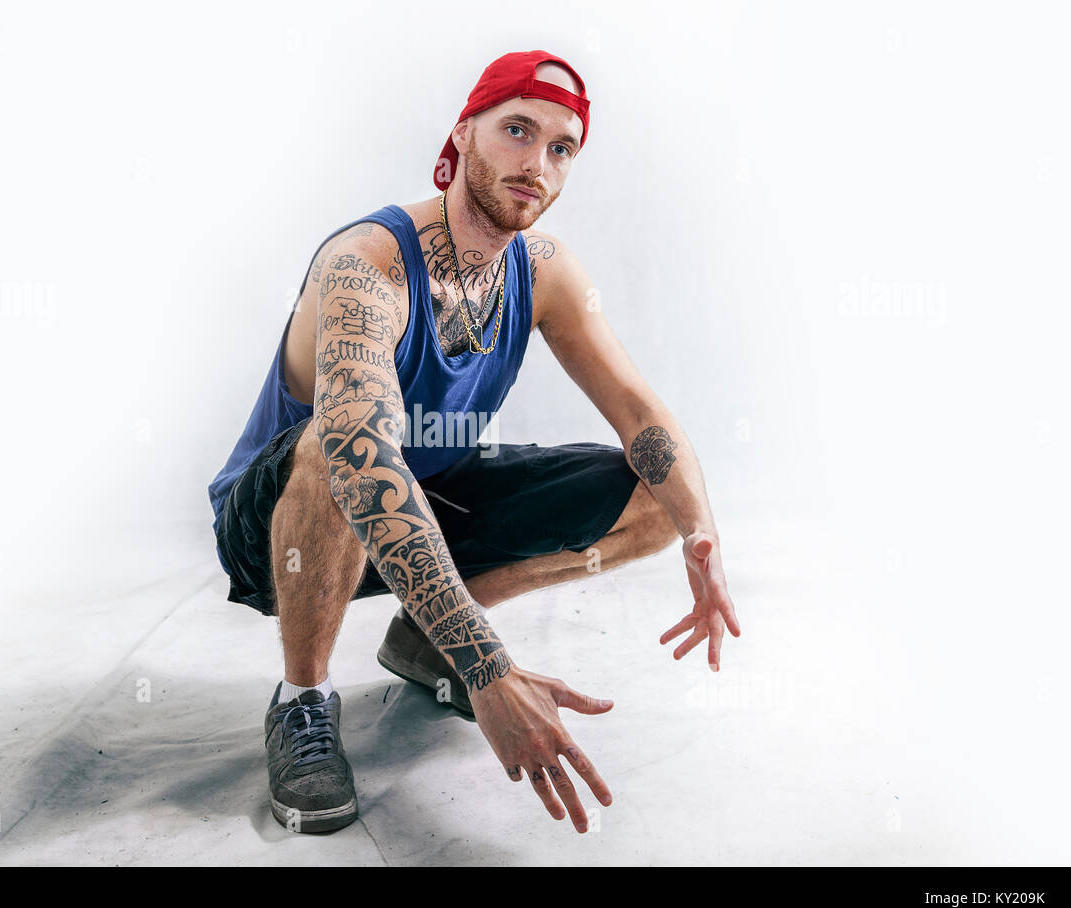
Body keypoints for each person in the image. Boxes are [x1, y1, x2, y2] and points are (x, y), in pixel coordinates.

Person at [208, 50, 742, 834]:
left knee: (656, 496)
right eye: (517, 130)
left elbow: (640, 413)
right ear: (463, 134)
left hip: (424, 499)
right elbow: (363, 464)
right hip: (278, 532)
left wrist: (700, 533)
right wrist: (487, 665)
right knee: (338, 448)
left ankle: (425, 639)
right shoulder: (368, 266)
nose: (537, 164)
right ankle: (303, 700)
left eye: (562, 147)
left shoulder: (545, 270)